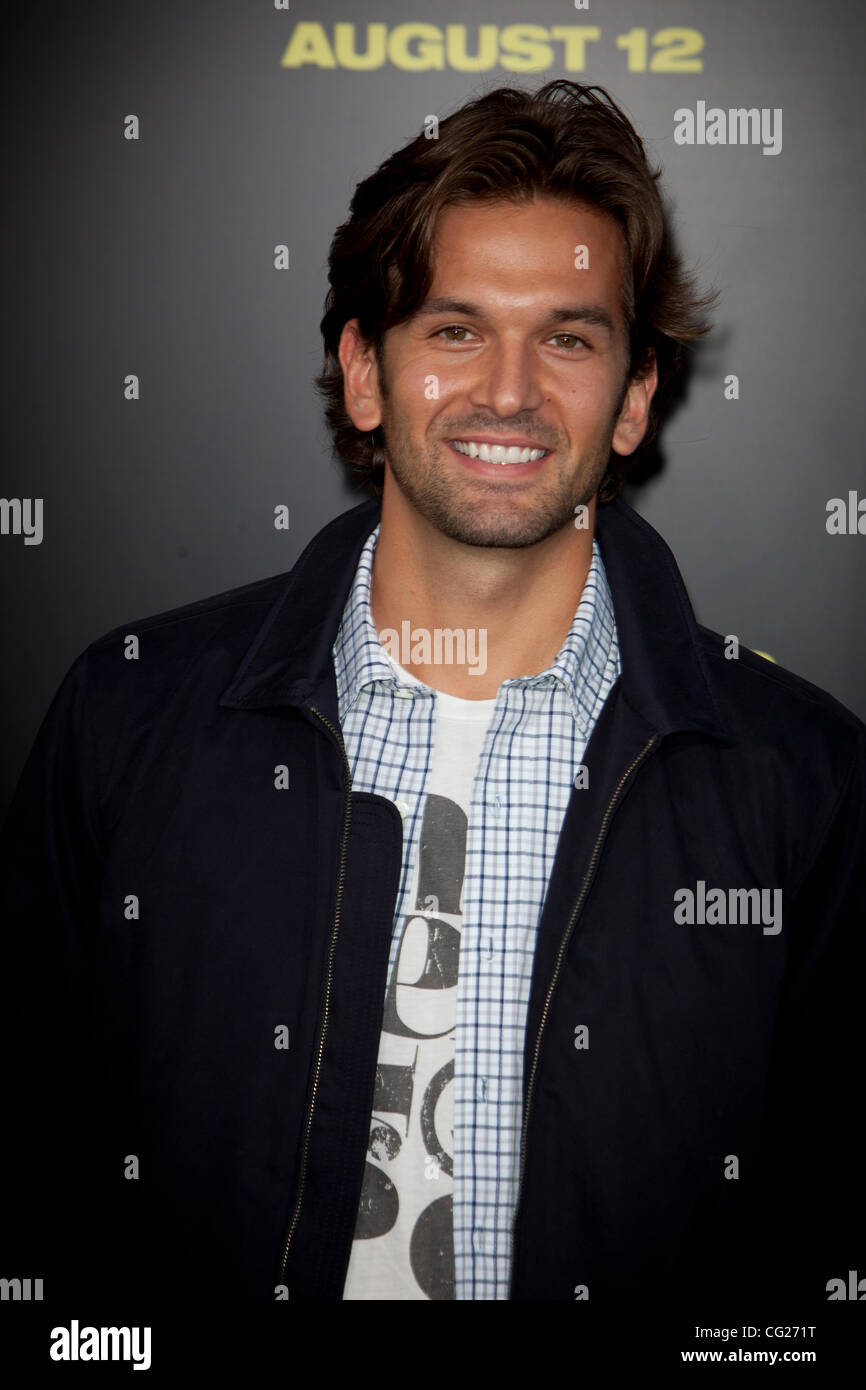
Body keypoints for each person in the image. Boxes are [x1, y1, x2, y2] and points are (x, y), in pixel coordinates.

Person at [1, 81, 863, 1305]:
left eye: (567, 338)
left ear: (631, 398)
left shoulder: (806, 783)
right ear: (363, 373)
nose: (507, 392)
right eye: (454, 330)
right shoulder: (126, 718)